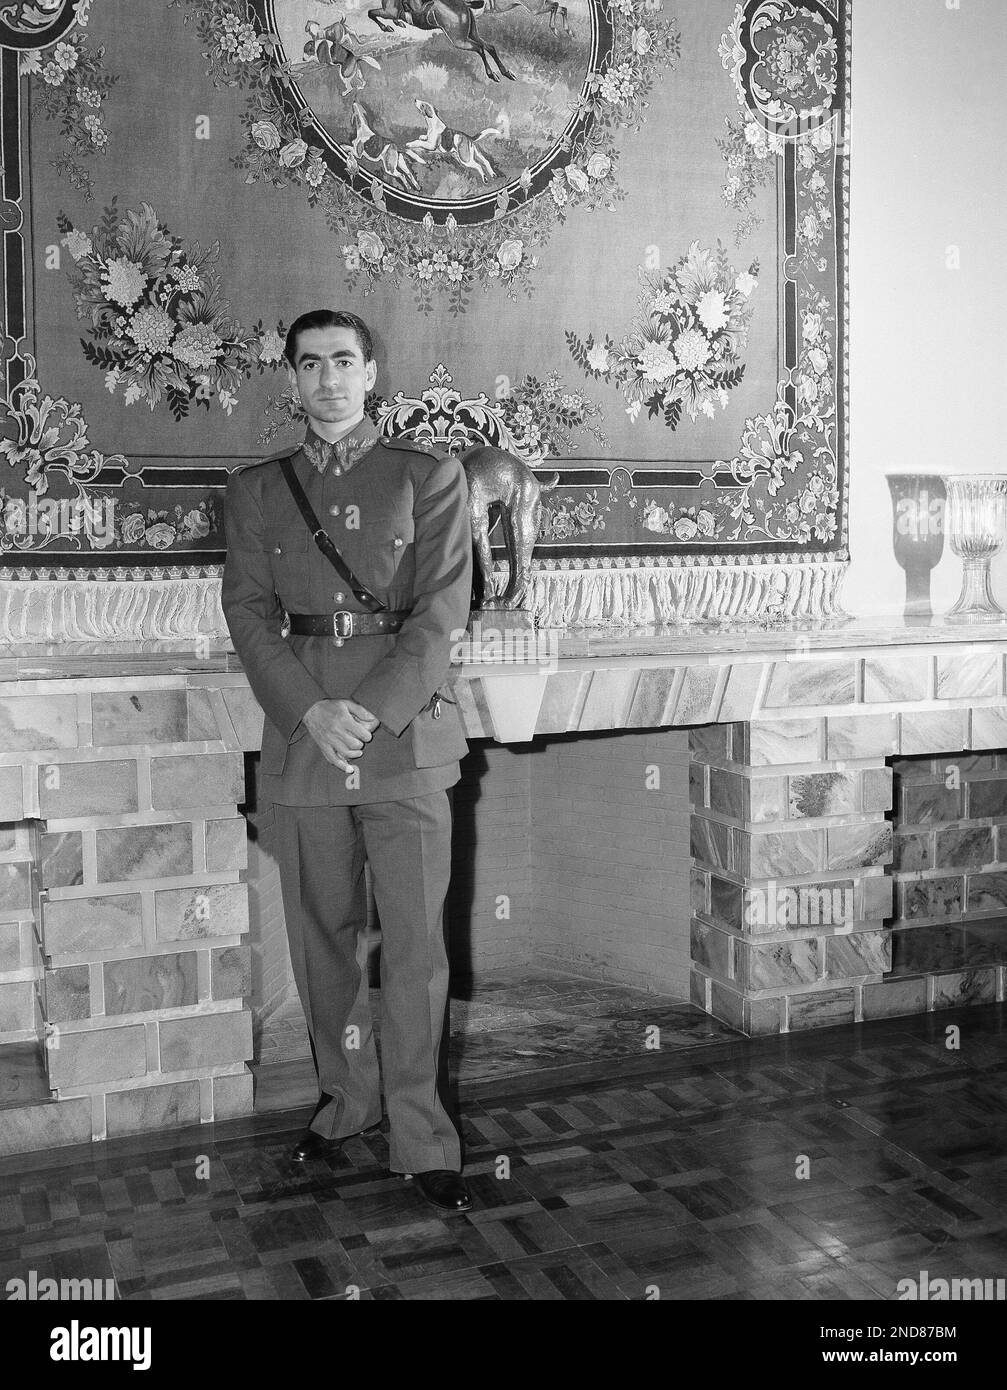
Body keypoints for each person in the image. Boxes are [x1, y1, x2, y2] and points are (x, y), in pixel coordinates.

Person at [222, 308, 474, 1213]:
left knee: (414, 945)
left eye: (342, 361)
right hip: (303, 739)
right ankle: (345, 1105)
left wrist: (364, 714)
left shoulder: (426, 474)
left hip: (401, 737)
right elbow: (249, 616)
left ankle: (423, 1138)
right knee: (321, 939)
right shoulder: (257, 490)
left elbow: (442, 615)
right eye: (308, 364)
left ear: (371, 373)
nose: (326, 378)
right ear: (291, 380)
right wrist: (309, 712)